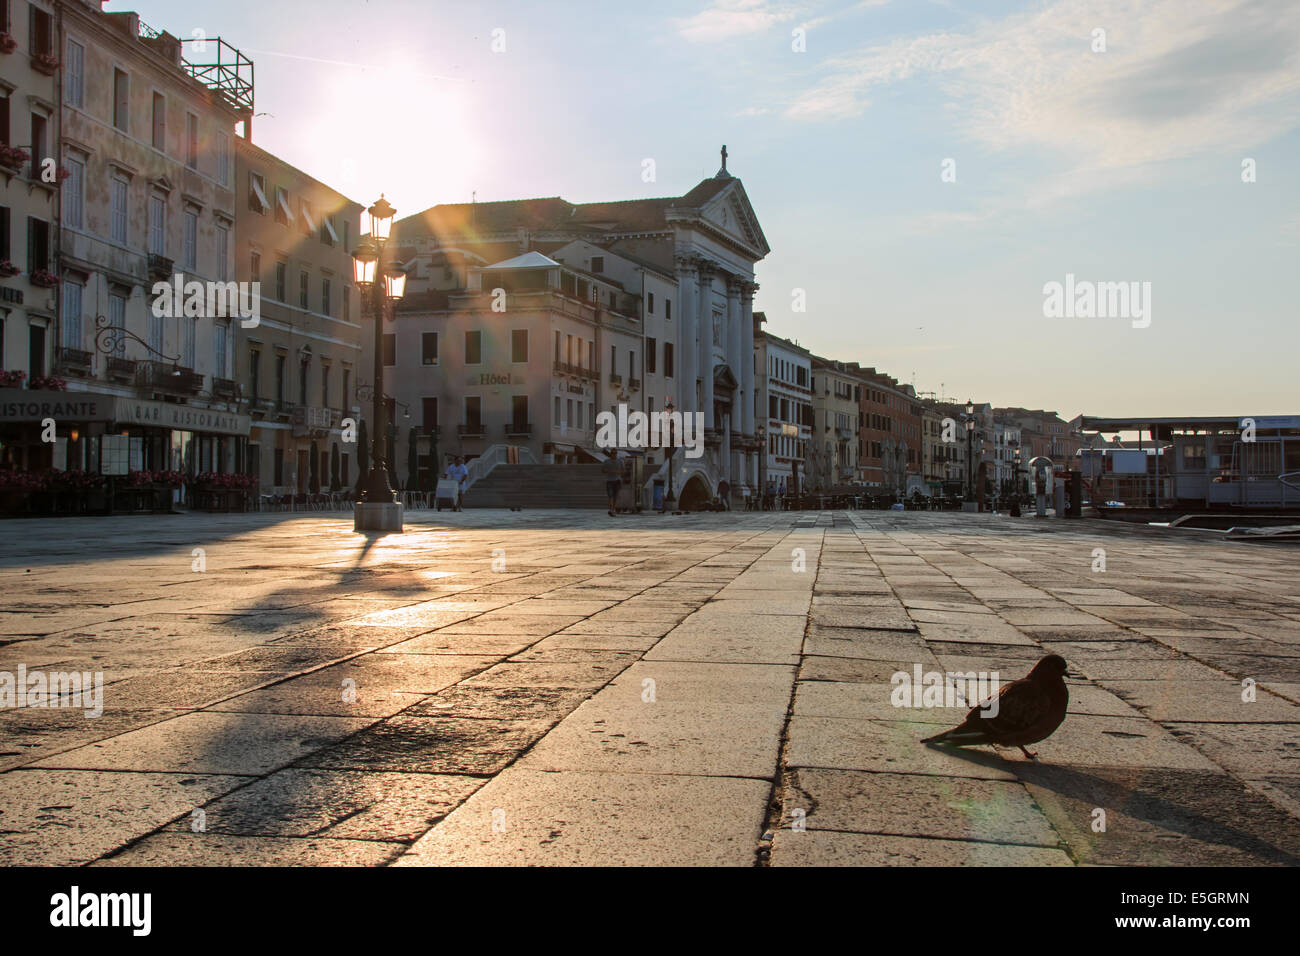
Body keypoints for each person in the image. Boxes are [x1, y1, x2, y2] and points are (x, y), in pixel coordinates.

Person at [601, 450, 624, 516]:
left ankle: (613, 509)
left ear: (616, 454)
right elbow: (602, 470)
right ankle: (611, 509)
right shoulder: (606, 461)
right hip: (609, 481)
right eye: (612, 453)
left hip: (617, 481)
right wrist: (608, 471)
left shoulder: (620, 461)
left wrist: (618, 472)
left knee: (615, 496)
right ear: (610, 454)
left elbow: (623, 470)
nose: (614, 454)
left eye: (615, 453)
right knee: (610, 495)